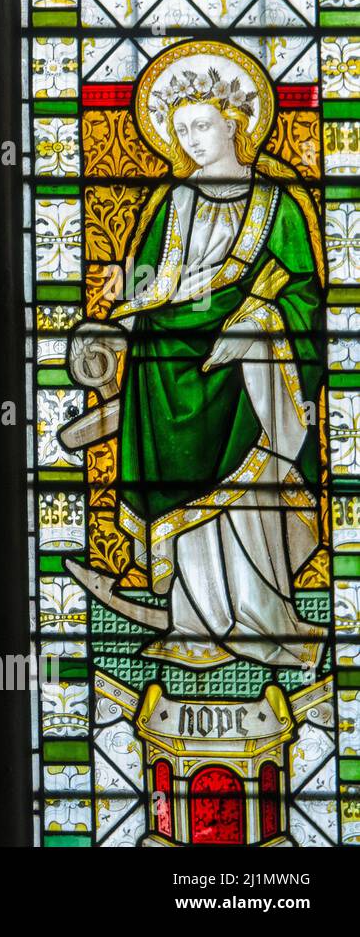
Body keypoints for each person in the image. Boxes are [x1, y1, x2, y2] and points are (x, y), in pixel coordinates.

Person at [106, 42, 326, 669]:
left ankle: (262, 616)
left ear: (234, 124)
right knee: (189, 510)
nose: (191, 140)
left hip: (251, 372)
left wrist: (258, 324)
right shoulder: (174, 202)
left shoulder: (280, 206)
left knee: (249, 502)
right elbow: (144, 279)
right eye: (180, 131)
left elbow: (307, 292)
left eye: (201, 126)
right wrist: (129, 302)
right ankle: (196, 624)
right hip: (168, 369)